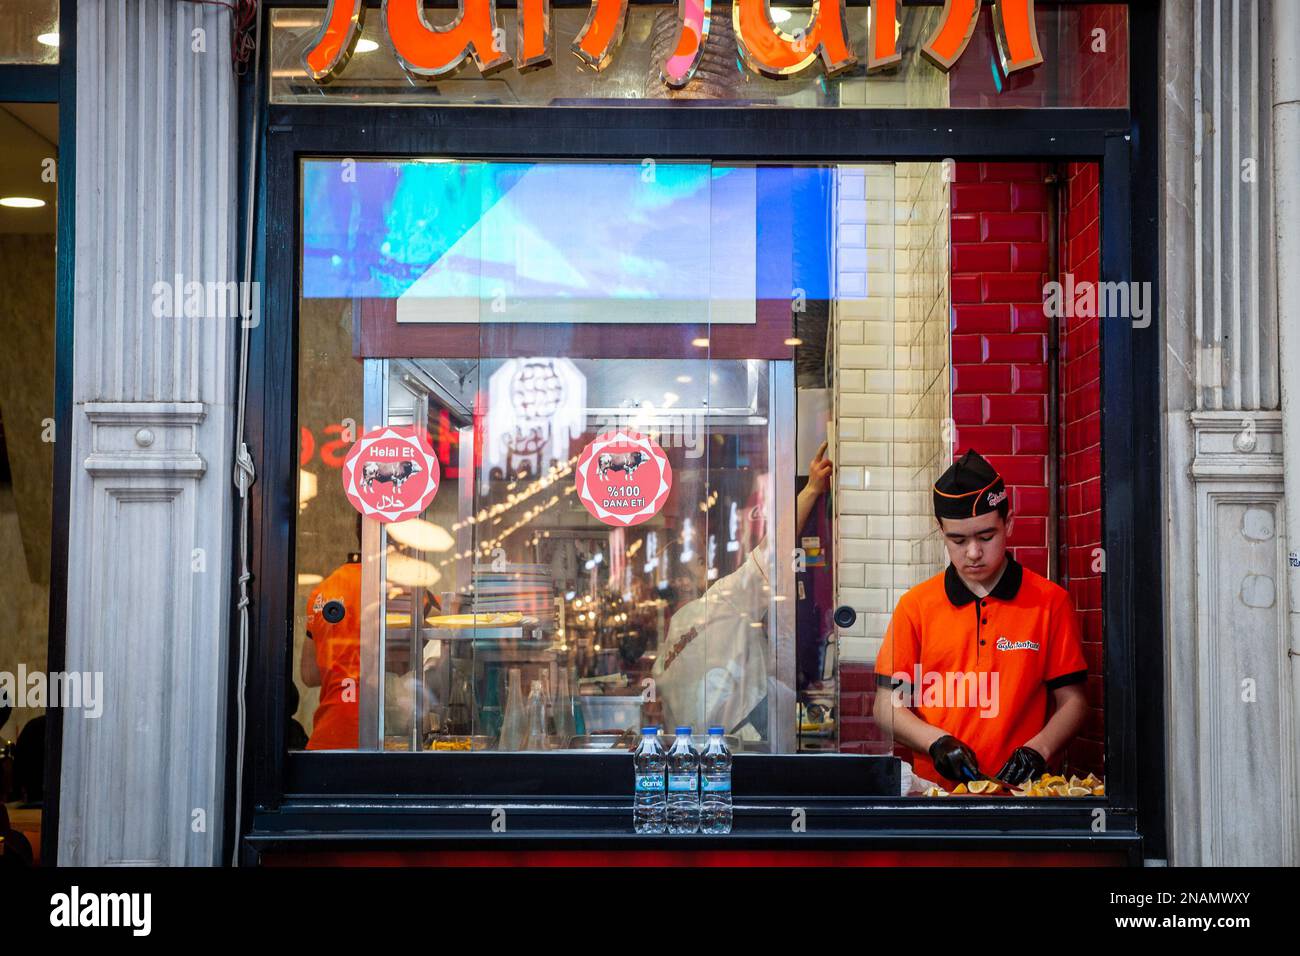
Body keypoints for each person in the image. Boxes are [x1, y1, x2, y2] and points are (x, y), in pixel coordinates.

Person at [873, 450, 1089, 788]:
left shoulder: (1050, 603)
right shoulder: (915, 607)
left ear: (1009, 523)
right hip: (935, 795)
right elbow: (887, 705)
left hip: (1024, 796)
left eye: (986, 537)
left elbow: (1074, 702)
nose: (973, 552)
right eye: (957, 540)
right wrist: (936, 742)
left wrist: (1039, 749)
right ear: (940, 531)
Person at [652, 442, 833, 740]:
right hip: (745, 742)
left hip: (698, 757)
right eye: (702, 555)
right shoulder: (721, 601)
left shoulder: (669, 644)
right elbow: (773, 553)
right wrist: (811, 489)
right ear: (696, 566)